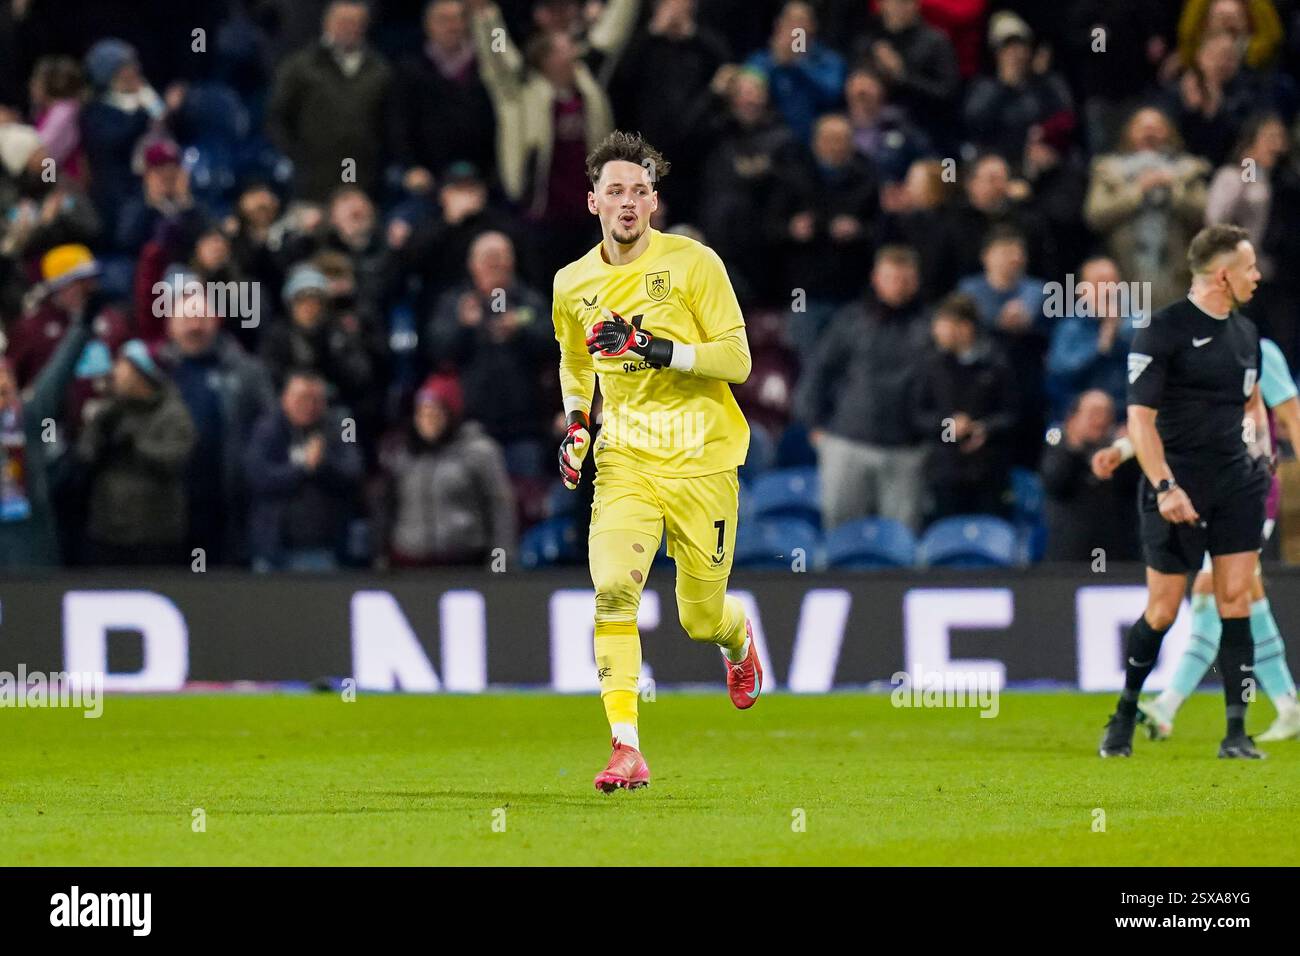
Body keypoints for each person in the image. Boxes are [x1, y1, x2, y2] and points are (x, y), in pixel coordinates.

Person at [552, 131, 755, 793]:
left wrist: (654, 346)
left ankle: (737, 640)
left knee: (700, 617)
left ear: (654, 201)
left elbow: (737, 360)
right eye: (615, 190)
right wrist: (579, 424)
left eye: (640, 190)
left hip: (704, 461)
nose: (628, 201)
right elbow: (576, 361)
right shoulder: (572, 283)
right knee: (613, 590)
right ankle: (626, 748)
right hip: (627, 460)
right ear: (593, 202)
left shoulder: (695, 265)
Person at [1098, 224, 1271, 760]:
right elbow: (1142, 421)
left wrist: (1261, 453)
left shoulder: (1246, 336)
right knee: (1163, 610)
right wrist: (1164, 485)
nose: (1257, 277)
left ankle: (1236, 732)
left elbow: (1250, 404)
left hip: (1236, 485)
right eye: (1249, 269)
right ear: (1223, 275)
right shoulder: (1163, 330)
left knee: (1235, 600)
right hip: (1178, 486)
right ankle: (1124, 712)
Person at [1094, 337, 1300, 742]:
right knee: (1240, 597)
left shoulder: (1257, 351)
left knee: (1214, 591)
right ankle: (1288, 704)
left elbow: (1292, 417)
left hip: (1247, 492)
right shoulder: (1185, 357)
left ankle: (1168, 704)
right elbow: (1162, 425)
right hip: (1195, 491)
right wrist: (1121, 449)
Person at [795, 246, 930, 531]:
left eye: (905, 279)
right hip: (848, 442)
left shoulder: (930, 326)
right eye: (892, 278)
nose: (899, 286)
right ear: (876, 279)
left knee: (901, 538)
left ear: (916, 281)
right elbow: (820, 370)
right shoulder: (851, 320)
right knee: (840, 532)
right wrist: (814, 423)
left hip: (906, 448)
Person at [374, 374, 517, 566]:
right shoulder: (403, 454)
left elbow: (500, 507)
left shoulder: (478, 451)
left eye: (435, 413)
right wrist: (381, 554)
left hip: (463, 562)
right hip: (409, 563)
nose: (428, 421)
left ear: (450, 414)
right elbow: (387, 507)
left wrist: (501, 559)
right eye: (422, 414)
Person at [77, 340, 197, 566]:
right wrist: (99, 440)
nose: (116, 373)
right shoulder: (110, 410)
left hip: (155, 533)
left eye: (124, 367)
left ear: (141, 374)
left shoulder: (172, 412)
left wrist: (136, 447)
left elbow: (177, 456)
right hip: (108, 530)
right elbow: (84, 455)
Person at [244, 369, 365, 572]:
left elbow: (353, 471)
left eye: (316, 399)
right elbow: (258, 477)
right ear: (285, 399)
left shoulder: (344, 424)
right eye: (302, 398)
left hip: (322, 549)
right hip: (271, 549)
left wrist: (322, 464)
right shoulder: (266, 428)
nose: (309, 406)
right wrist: (303, 468)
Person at [911, 292, 1016, 522]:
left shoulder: (996, 363)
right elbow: (917, 416)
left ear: (965, 327)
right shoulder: (931, 364)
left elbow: (1012, 414)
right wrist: (949, 427)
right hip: (944, 473)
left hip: (988, 472)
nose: (936, 331)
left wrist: (984, 428)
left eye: (942, 325)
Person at [1041, 389, 1139, 562]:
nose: (1100, 420)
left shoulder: (1119, 452)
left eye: (1106, 413)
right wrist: (1074, 447)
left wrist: (1129, 450)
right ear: (1073, 418)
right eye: (1093, 413)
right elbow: (1054, 483)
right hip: (1069, 549)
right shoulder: (1058, 444)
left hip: (1114, 549)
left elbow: (1133, 486)